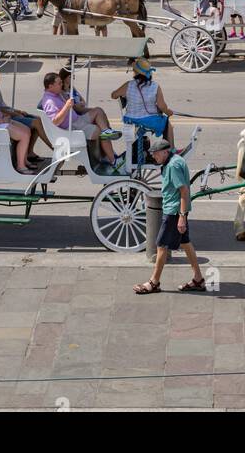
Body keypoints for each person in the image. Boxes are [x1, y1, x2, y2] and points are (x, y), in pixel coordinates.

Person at [133, 137, 204, 294]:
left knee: (161, 245)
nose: (154, 157)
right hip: (176, 210)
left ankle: (154, 282)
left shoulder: (172, 166)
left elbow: (184, 191)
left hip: (173, 212)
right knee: (185, 242)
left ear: (165, 152)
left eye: (156, 154)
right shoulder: (175, 160)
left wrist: (182, 217)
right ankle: (198, 279)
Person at [39, 71, 120, 167]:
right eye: (59, 83)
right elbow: (55, 121)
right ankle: (112, 160)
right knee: (99, 131)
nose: (61, 85)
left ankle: (107, 136)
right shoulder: (49, 101)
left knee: (98, 111)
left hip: (77, 120)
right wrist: (66, 107)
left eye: (61, 82)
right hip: (70, 128)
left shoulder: (57, 94)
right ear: (50, 86)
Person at [112, 58, 173, 145]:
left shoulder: (128, 85)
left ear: (136, 72)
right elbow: (161, 106)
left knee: (163, 122)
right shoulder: (155, 86)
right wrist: (168, 112)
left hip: (130, 119)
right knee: (167, 124)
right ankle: (171, 150)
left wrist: (125, 95)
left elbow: (113, 95)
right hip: (148, 120)